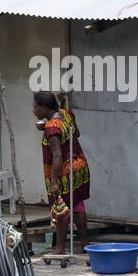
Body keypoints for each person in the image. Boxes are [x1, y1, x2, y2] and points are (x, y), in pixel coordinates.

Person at [34, 92, 90, 255]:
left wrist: (54, 182)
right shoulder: (65, 115)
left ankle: (60, 248)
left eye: (36, 107)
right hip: (78, 166)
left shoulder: (52, 127)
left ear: (44, 107)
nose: (34, 111)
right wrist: (47, 127)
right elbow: (76, 133)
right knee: (78, 205)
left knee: (61, 207)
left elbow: (57, 154)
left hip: (64, 172)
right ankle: (85, 242)